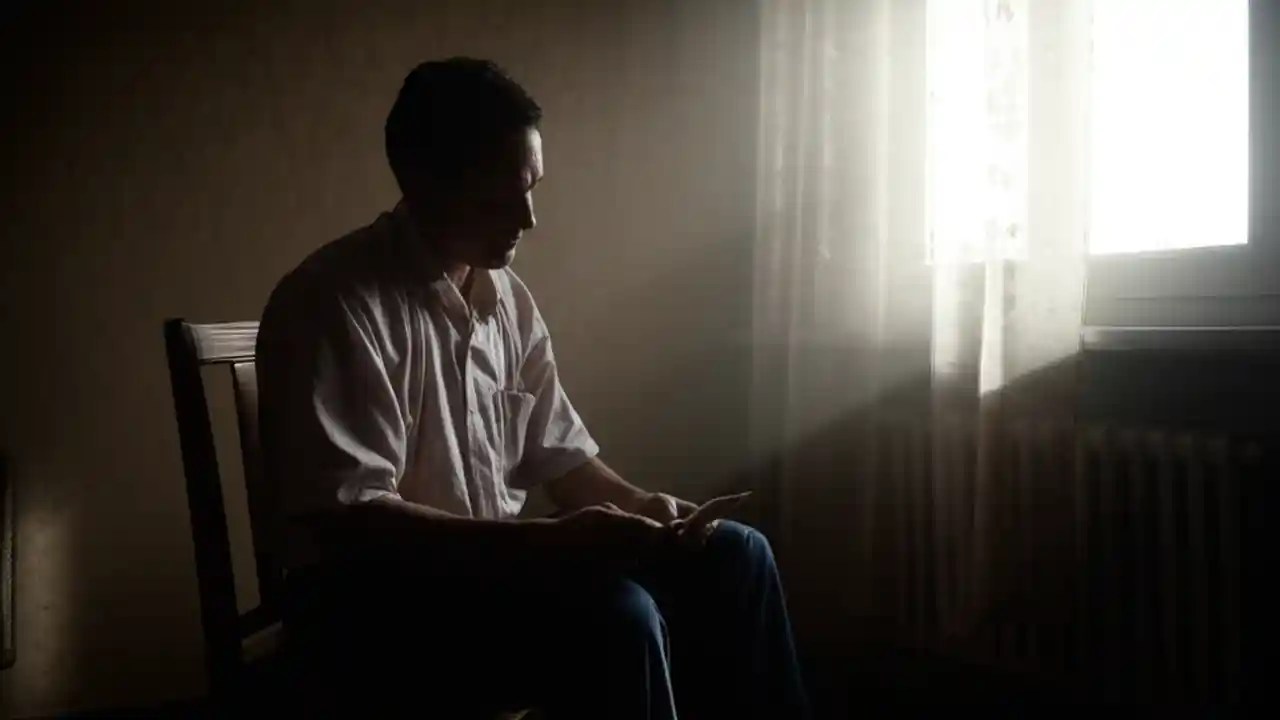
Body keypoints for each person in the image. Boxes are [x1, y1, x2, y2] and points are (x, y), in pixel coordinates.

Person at [257, 57, 809, 719]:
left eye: (533, 187)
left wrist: (647, 511)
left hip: (495, 571)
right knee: (616, 618)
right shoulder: (335, 302)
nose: (529, 218)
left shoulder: (506, 301)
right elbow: (354, 528)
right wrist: (547, 546)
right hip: (376, 604)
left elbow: (564, 460)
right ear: (424, 180)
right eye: (502, 193)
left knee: (735, 556)